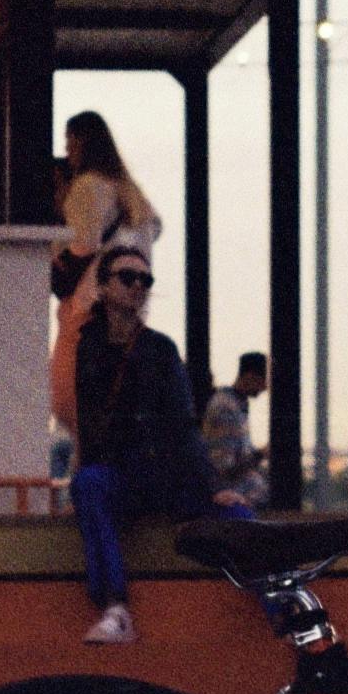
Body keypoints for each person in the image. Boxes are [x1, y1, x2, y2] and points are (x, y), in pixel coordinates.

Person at [68, 246, 238, 643]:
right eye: (127, 277)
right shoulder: (88, 346)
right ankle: (115, 608)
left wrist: (213, 485)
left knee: (238, 514)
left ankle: (287, 606)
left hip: (163, 474)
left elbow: (183, 425)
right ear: (103, 287)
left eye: (146, 280)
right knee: (88, 485)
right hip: (122, 477)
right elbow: (90, 427)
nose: (138, 286)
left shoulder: (160, 349)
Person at [48, 112, 162, 435]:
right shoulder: (129, 191)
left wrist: (53, 257)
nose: (67, 151)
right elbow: (155, 228)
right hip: (131, 306)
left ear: (81, 143)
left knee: (72, 403)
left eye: (69, 143)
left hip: (90, 303)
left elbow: (84, 244)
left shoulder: (87, 187)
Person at [200, 351, 269, 508]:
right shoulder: (226, 409)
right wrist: (260, 455)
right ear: (249, 377)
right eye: (262, 381)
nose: (265, 388)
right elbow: (223, 468)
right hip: (228, 498)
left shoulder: (236, 405)